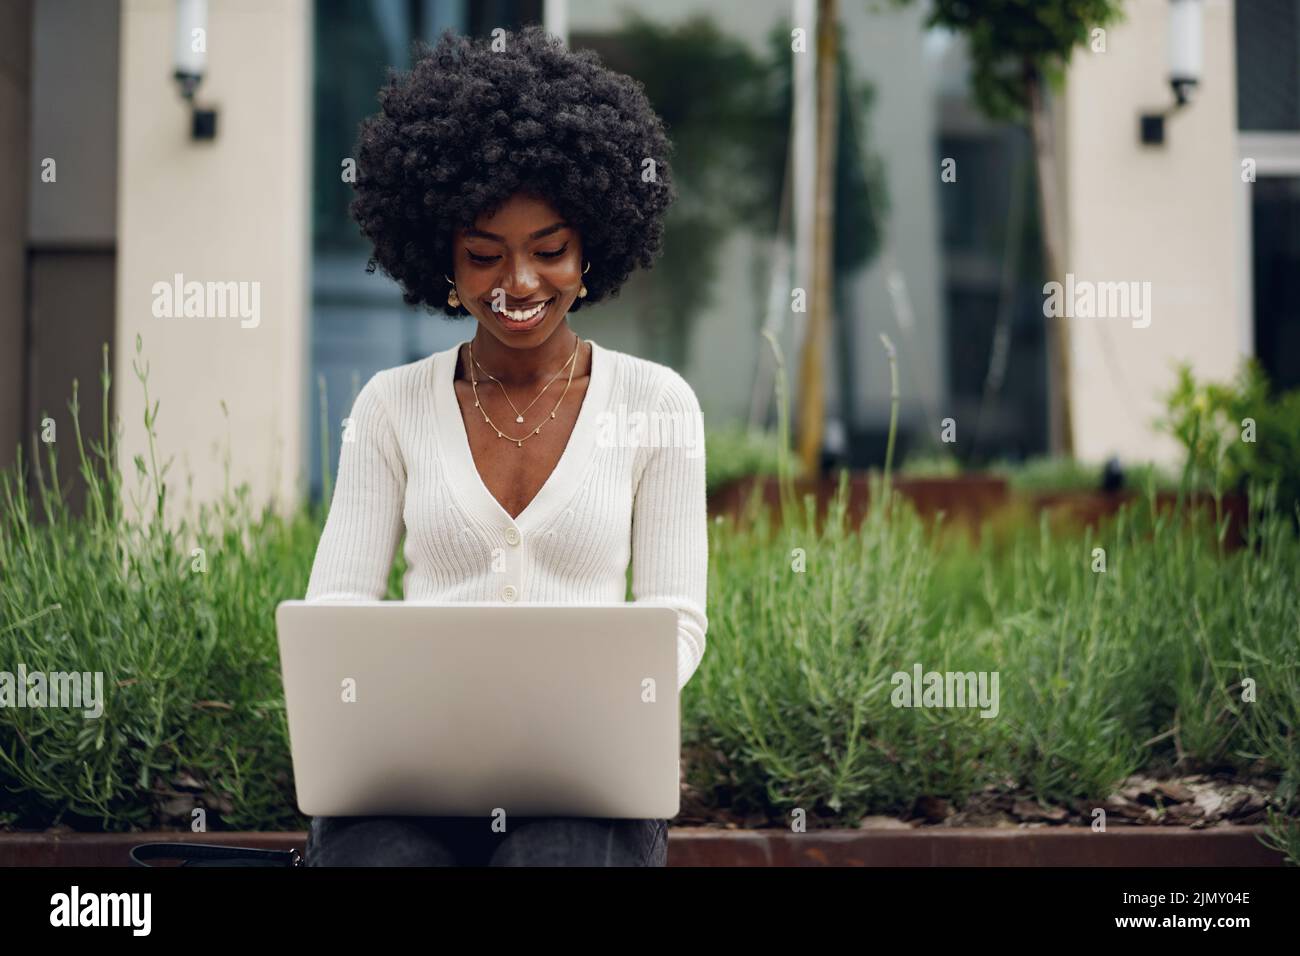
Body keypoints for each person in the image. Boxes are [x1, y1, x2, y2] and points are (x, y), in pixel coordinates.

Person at [301, 24, 707, 867]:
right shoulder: (390, 407)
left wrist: (588, 712)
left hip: (586, 786)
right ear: (443, 262)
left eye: (549, 251)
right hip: (410, 780)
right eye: (484, 256)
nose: (519, 285)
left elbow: (677, 622)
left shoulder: (657, 403)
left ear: (592, 245)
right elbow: (335, 614)